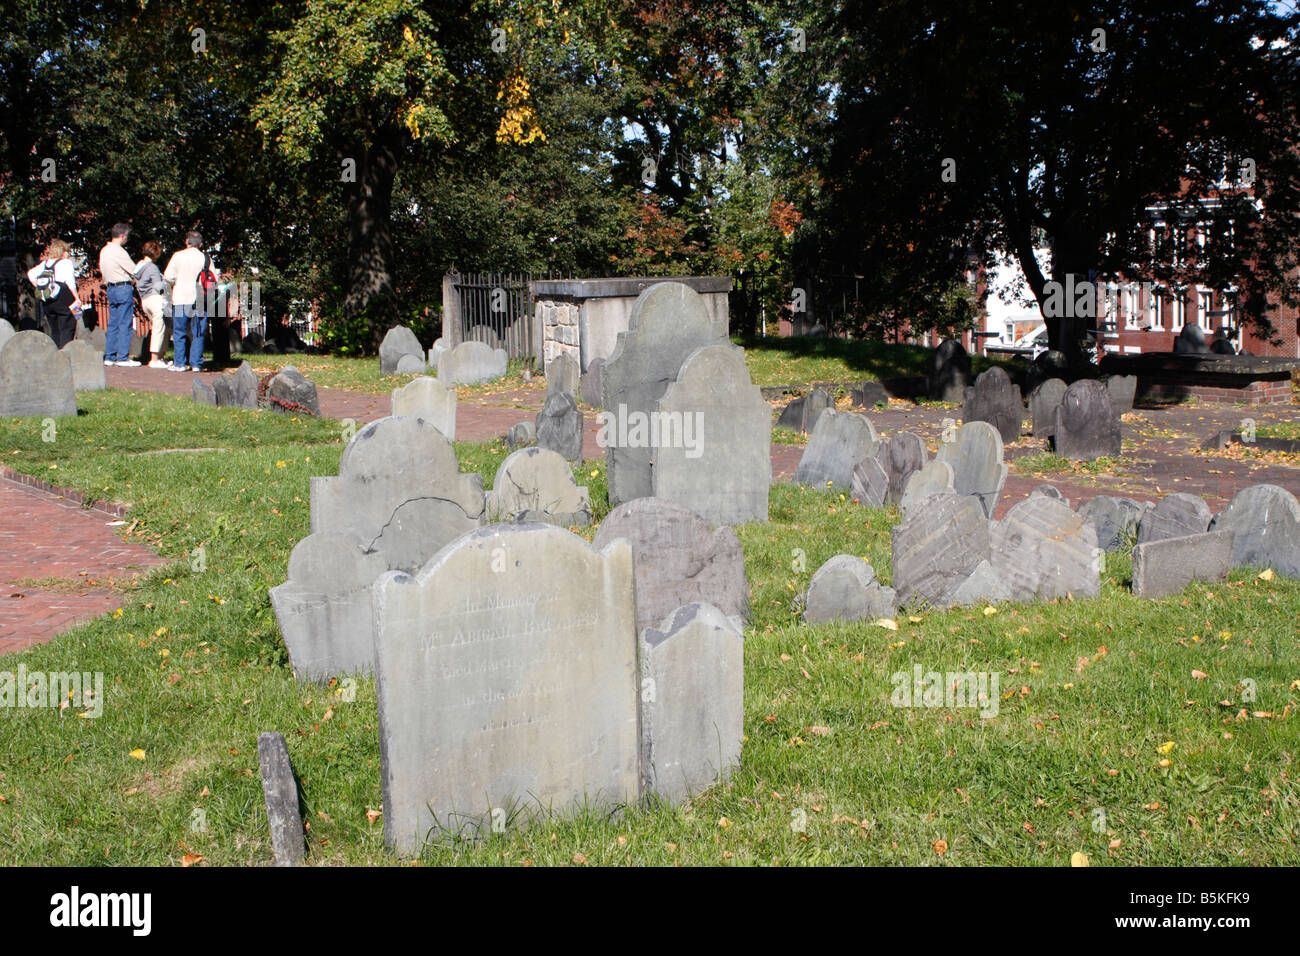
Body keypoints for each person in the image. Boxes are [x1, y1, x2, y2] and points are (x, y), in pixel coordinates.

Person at [163, 230, 216, 372]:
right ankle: (196, 364)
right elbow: (213, 278)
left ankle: (179, 363)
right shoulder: (206, 258)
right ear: (200, 244)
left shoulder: (177, 256)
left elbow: (168, 277)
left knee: (179, 332)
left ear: (187, 241)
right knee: (198, 332)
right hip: (199, 300)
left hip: (180, 298)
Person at [25, 239, 83, 349]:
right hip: (64, 297)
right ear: (63, 251)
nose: (68, 253)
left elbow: (30, 274)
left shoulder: (45, 263)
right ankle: (65, 355)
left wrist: (38, 285)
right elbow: (70, 282)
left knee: (54, 329)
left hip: (49, 300)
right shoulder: (66, 263)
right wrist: (77, 298)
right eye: (67, 251)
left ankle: (55, 354)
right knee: (67, 327)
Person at [98, 222, 140, 366]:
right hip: (123, 287)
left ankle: (109, 356)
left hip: (110, 288)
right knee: (125, 323)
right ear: (122, 236)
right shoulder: (119, 251)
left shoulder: (104, 250)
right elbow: (134, 271)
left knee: (113, 324)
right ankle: (122, 357)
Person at [134, 240, 170, 368]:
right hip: (155, 299)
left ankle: (160, 357)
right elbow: (158, 286)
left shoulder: (138, 267)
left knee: (160, 327)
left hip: (145, 300)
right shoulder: (152, 267)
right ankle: (155, 359)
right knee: (159, 329)